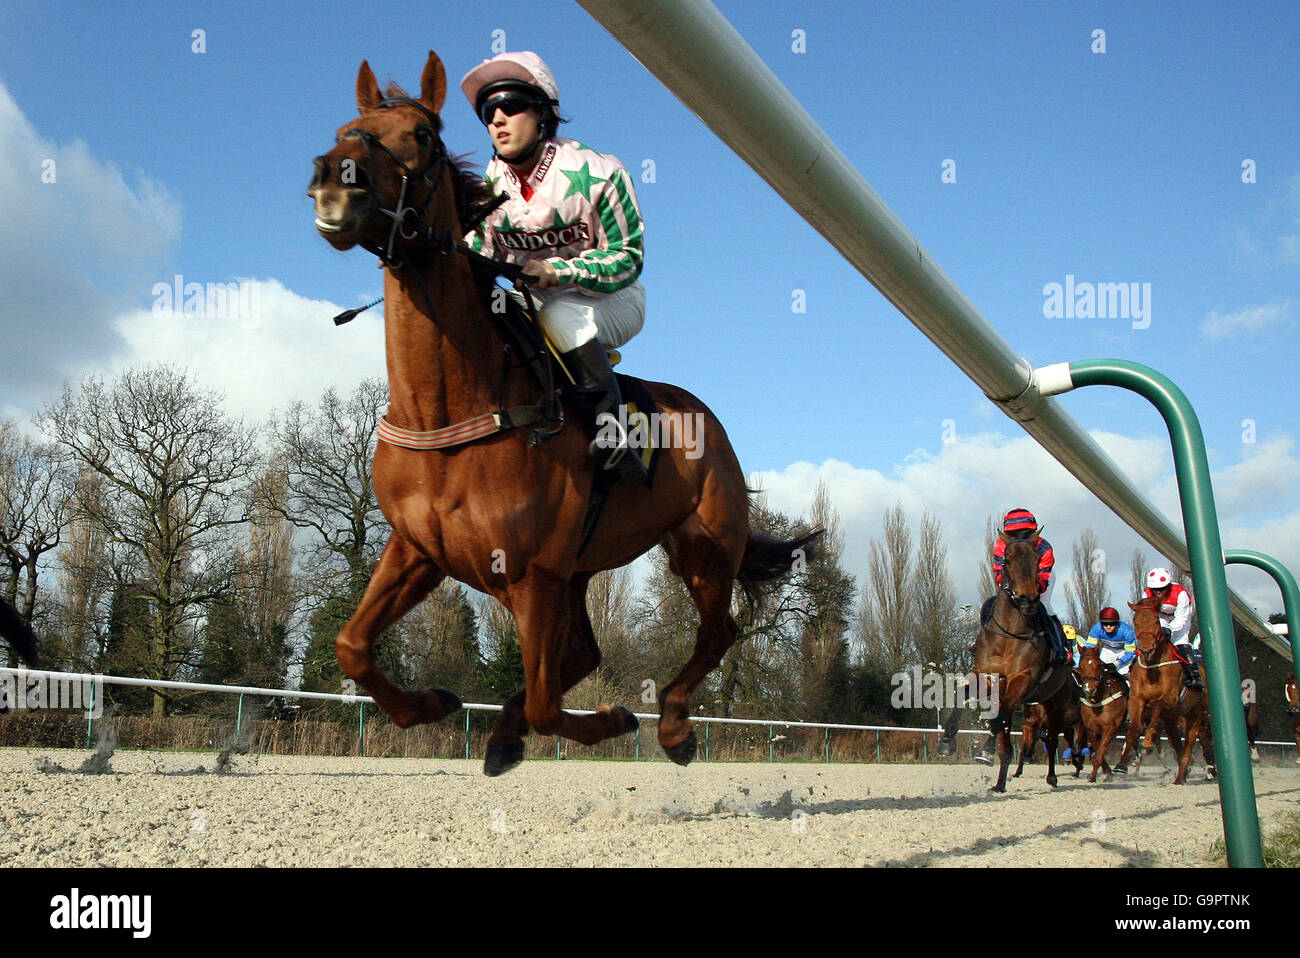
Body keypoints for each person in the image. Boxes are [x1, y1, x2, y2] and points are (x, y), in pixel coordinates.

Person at [460, 51, 648, 483]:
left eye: (511, 105)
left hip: (612, 299)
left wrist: (558, 273)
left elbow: (628, 259)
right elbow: (475, 257)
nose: (498, 119)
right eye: (489, 111)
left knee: (559, 313)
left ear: (544, 113)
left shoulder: (599, 172)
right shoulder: (486, 189)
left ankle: (615, 436)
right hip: (532, 301)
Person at [990, 508, 1068, 666]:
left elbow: (1044, 573)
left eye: (1025, 534)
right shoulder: (1000, 545)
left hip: (1038, 577)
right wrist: (1010, 589)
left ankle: (1060, 647)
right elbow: (999, 571)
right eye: (1015, 535)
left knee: (1044, 606)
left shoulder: (1044, 547)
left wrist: (1034, 589)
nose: (1020, 538)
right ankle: (982, 643)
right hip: (1013, 579)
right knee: (994, 605)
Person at [1143, 567, 1202, 690]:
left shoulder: (1181, 594)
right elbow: (1149, 614)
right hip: (1160, 615)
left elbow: (1181, 618)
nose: (1158, 592)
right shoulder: (1146, 594)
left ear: (1168, 586)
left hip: (1180, 616)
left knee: (1180, 642)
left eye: (1161, 589)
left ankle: (1194, 675)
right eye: (1155, 589)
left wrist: (1170, 629)